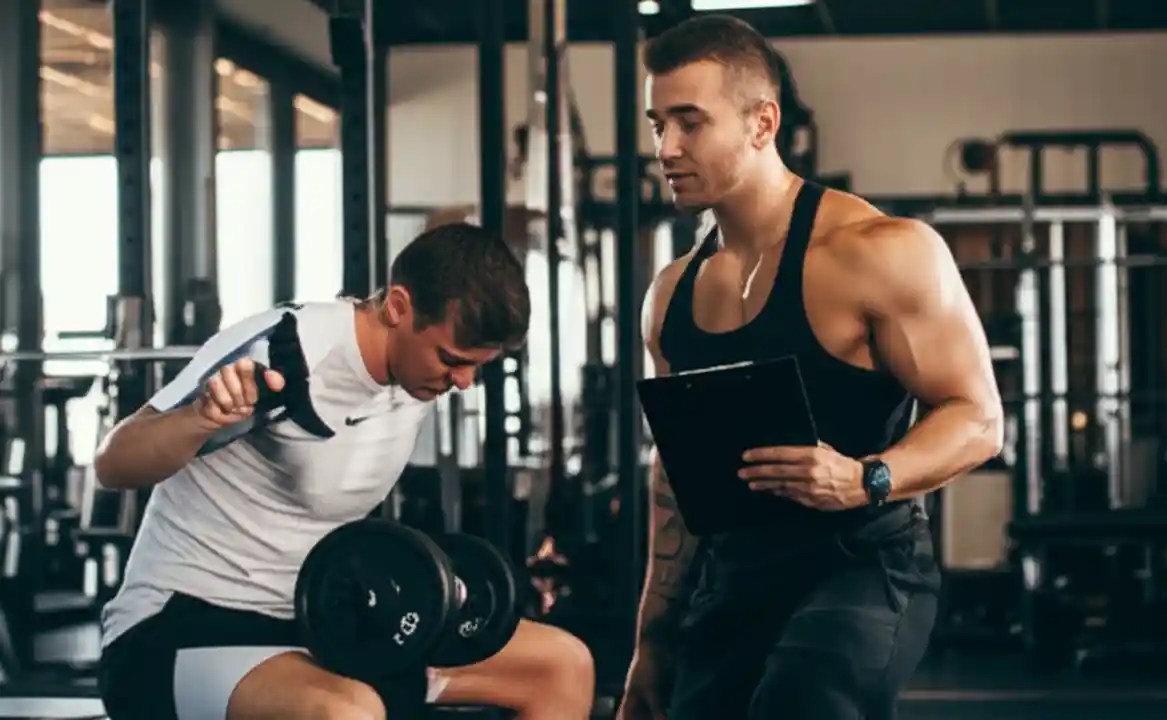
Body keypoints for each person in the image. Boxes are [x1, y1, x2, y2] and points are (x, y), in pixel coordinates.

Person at [618, 15, 1004, 720]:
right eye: (657, 125)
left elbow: (978, 419)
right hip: (735, 579)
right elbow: (675, 471)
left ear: (762, 124)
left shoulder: (879, 252)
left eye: (690, 123)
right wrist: (653, 640)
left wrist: (866, 478)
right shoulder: (670, 295)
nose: (666, 148)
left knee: (802, 697)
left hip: (861, 568)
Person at [94, 222, 596, 720]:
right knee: (347, 713)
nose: (464, 381)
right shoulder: (290, 349)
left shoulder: (415, 376)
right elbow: (113, 463)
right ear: (398, 307)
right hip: (183, 627)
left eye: (477, 366)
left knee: (561, 666)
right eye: (451, 359)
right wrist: (199, 419)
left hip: (323, 621)